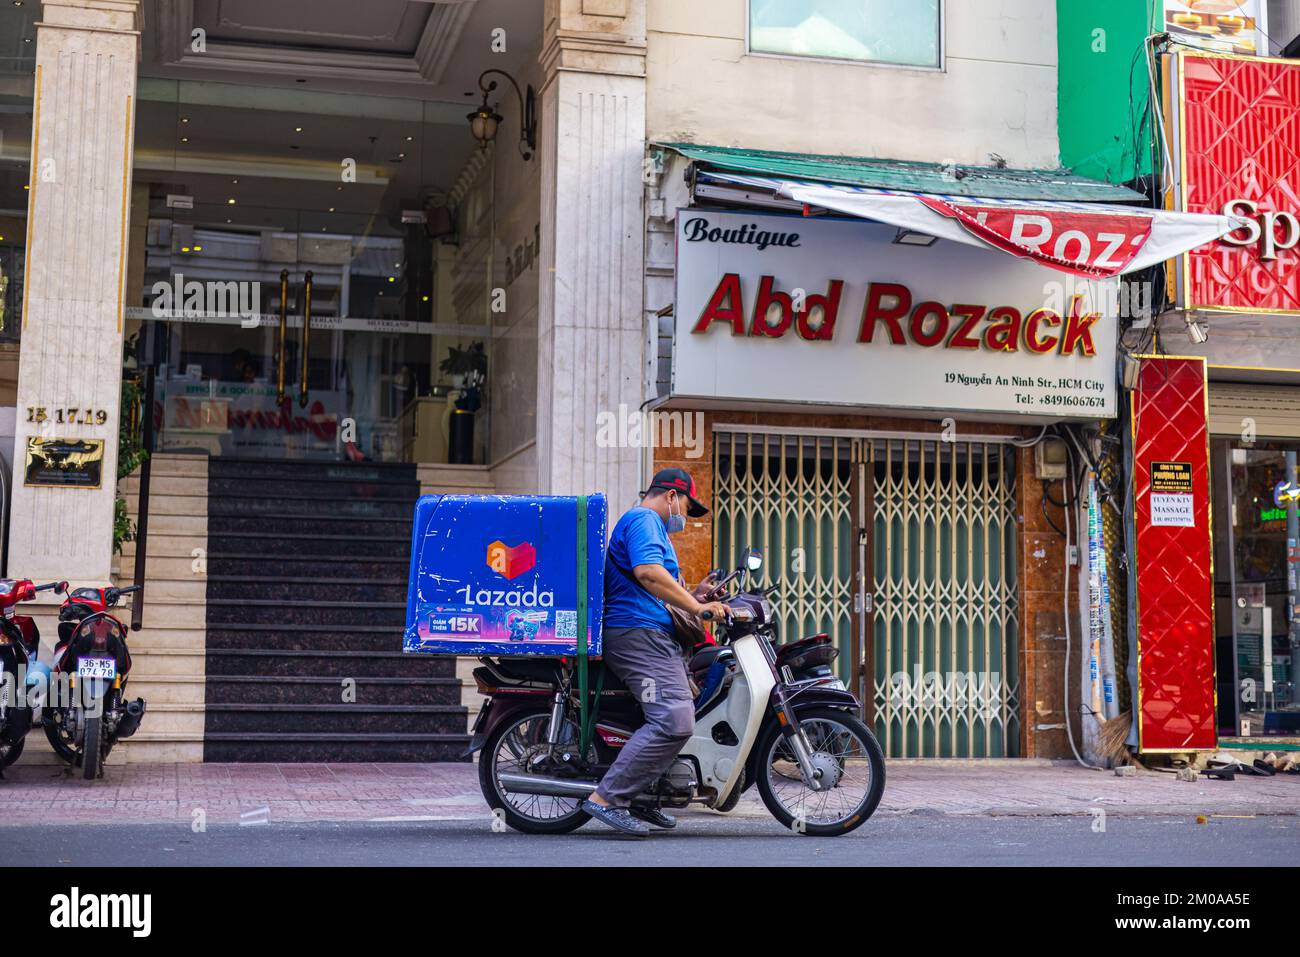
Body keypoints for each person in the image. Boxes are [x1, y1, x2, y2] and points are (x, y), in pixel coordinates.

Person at [581, 468, 729, 837]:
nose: (685, 517)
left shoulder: (652, 528)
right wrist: (697, 609)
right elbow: (647, 572)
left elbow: (653, 589)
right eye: (687, 507)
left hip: (649, 632)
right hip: (637, 634)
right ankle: (606, 799)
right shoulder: (644, 519)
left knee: (670, 714)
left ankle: (643, 797)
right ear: (672, 496)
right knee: (674, 720)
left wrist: (696, 596)